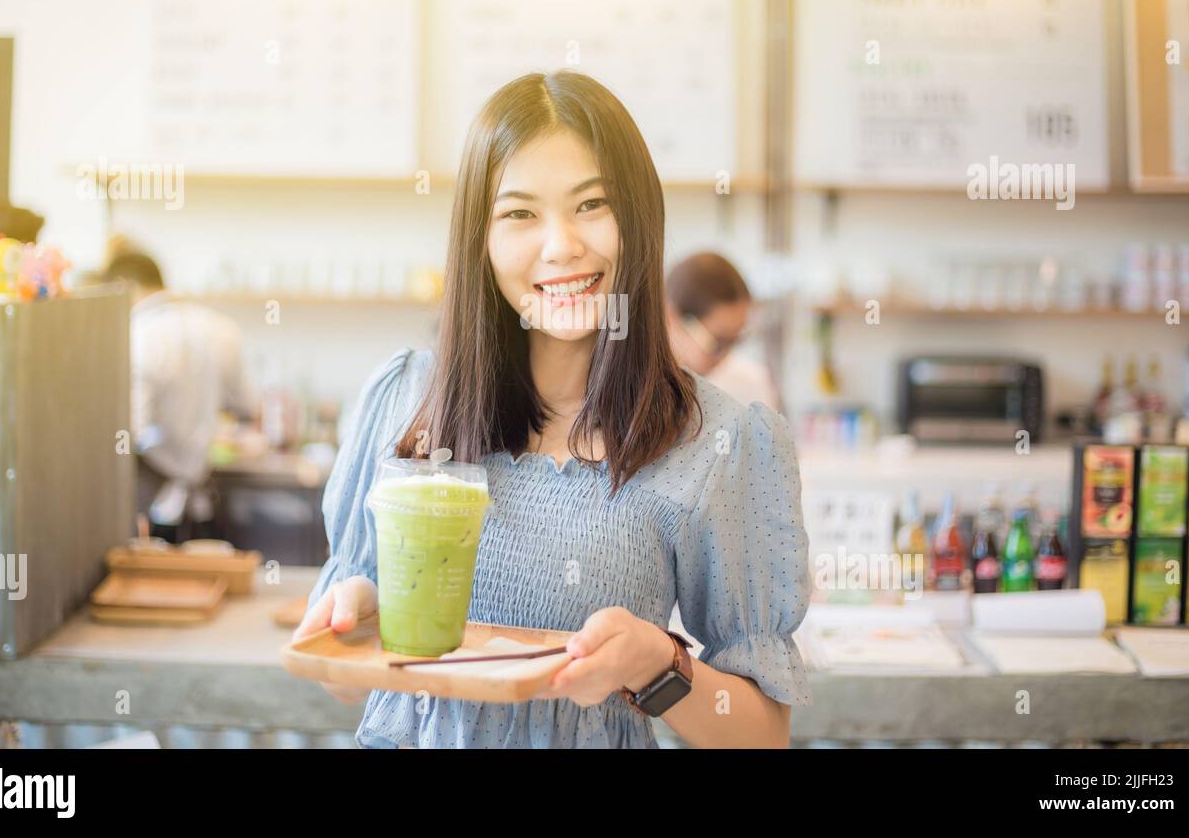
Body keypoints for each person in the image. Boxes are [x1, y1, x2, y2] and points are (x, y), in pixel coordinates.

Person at [295, 71, 811, 749]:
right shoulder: (405, 402)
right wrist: (356, 628)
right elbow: (346, 682)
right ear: (479, 239)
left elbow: (762, 735)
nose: (561, 245)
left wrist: (660, 664)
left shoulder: (716, 442)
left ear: (639, 218)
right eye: (519, 213)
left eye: (591, 204)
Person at [103, 249, 256, 543]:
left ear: (125, 286)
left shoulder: (135, 334)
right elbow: (245, 405)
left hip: (149, 500)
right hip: (202, 493)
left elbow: (137, 431)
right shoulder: (217, 327)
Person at [665, 251, 783, 412]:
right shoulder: (641, 389)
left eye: (737, 340)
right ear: (673, 318)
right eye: (719, 342)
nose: (725, 355)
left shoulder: (750, 384)